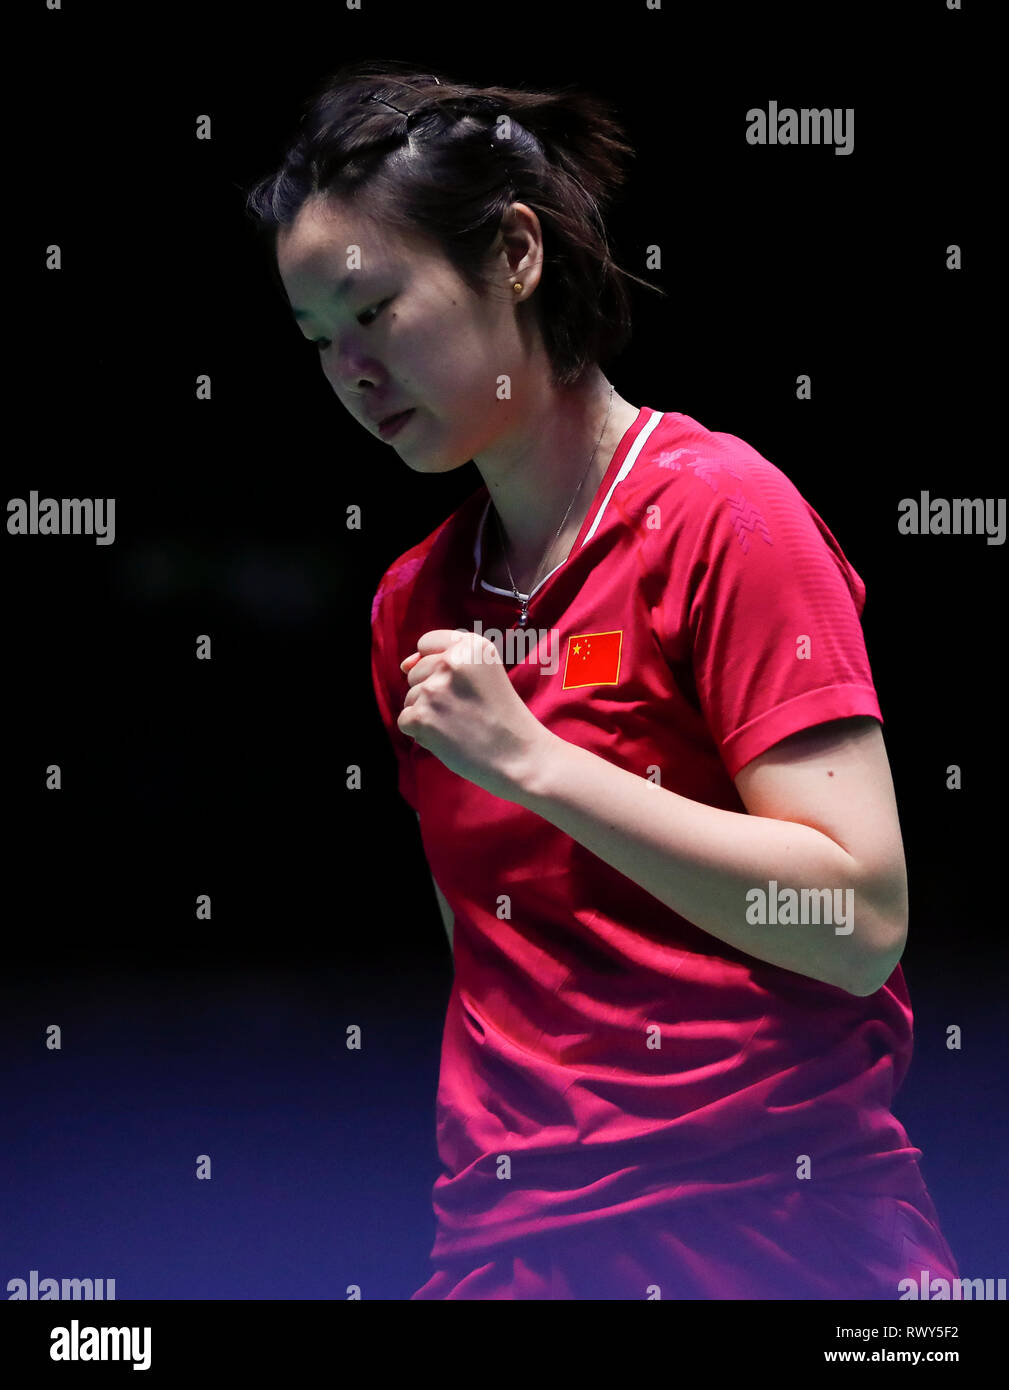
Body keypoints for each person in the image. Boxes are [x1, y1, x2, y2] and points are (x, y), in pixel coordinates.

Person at [245, 59, 960, 1300]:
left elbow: (856, 925)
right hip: (513, 1249)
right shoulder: (414, 608)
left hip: (773, 1234)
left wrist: (537, 762)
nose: (351, 371)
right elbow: (498, 969)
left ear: (514, 252)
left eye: (373, 311)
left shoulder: (725, 517)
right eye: (317, 340)